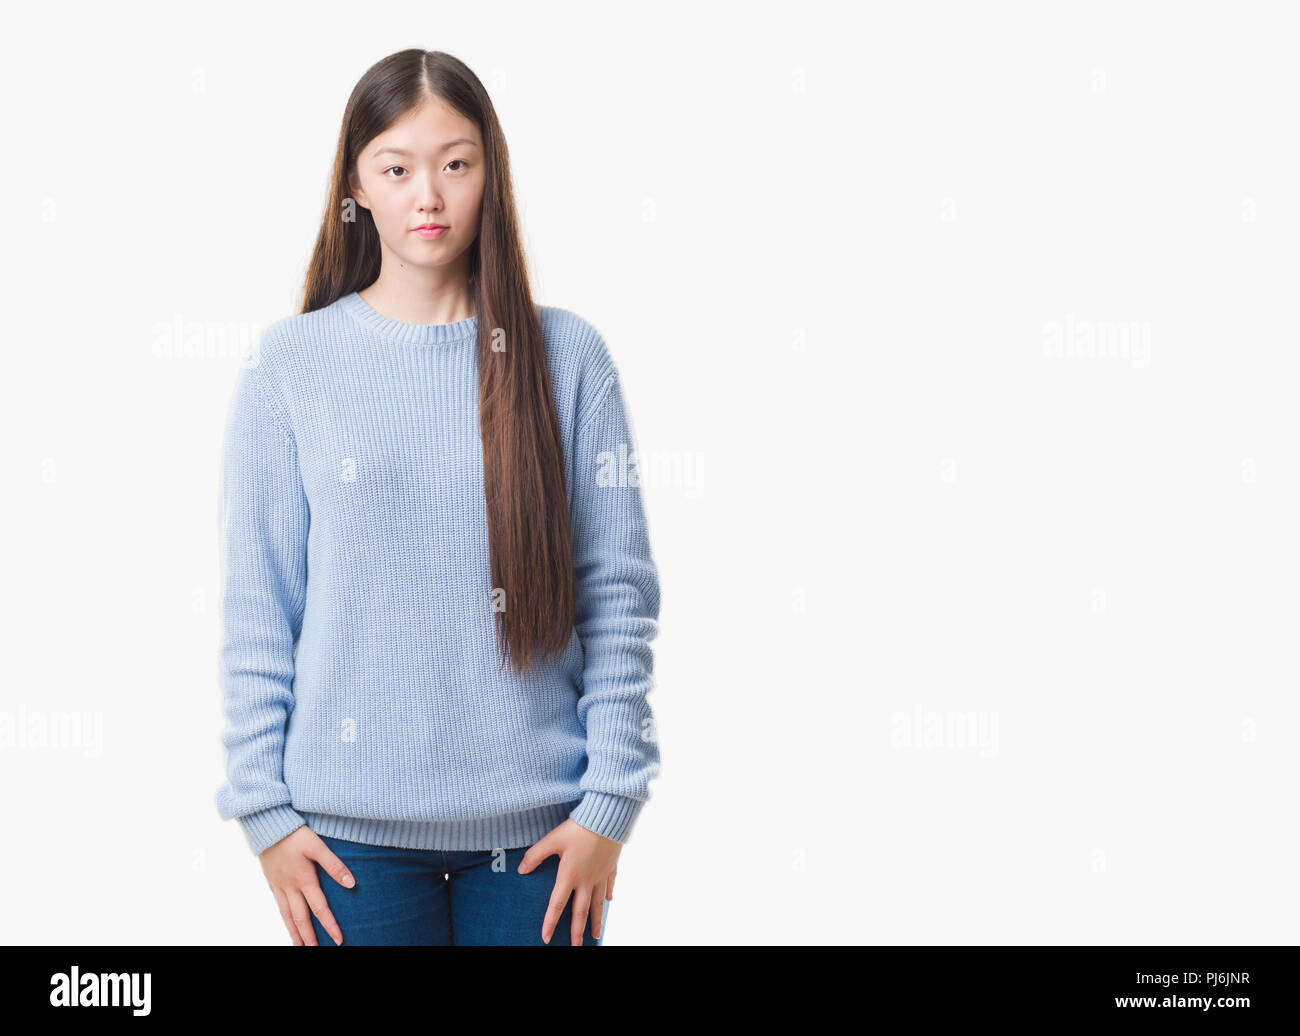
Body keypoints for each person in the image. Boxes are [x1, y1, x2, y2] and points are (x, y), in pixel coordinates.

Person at [214, 49, 661, 946]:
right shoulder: (291, 368)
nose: (429, 196)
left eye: (456, 164)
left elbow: (618, 596)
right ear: (358, 186)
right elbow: (261, 606)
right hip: (346, 845)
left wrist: (611, 802)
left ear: (490, 173)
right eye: (397, 168)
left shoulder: (567, 359)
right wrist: (264, 814)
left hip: (541, 839)